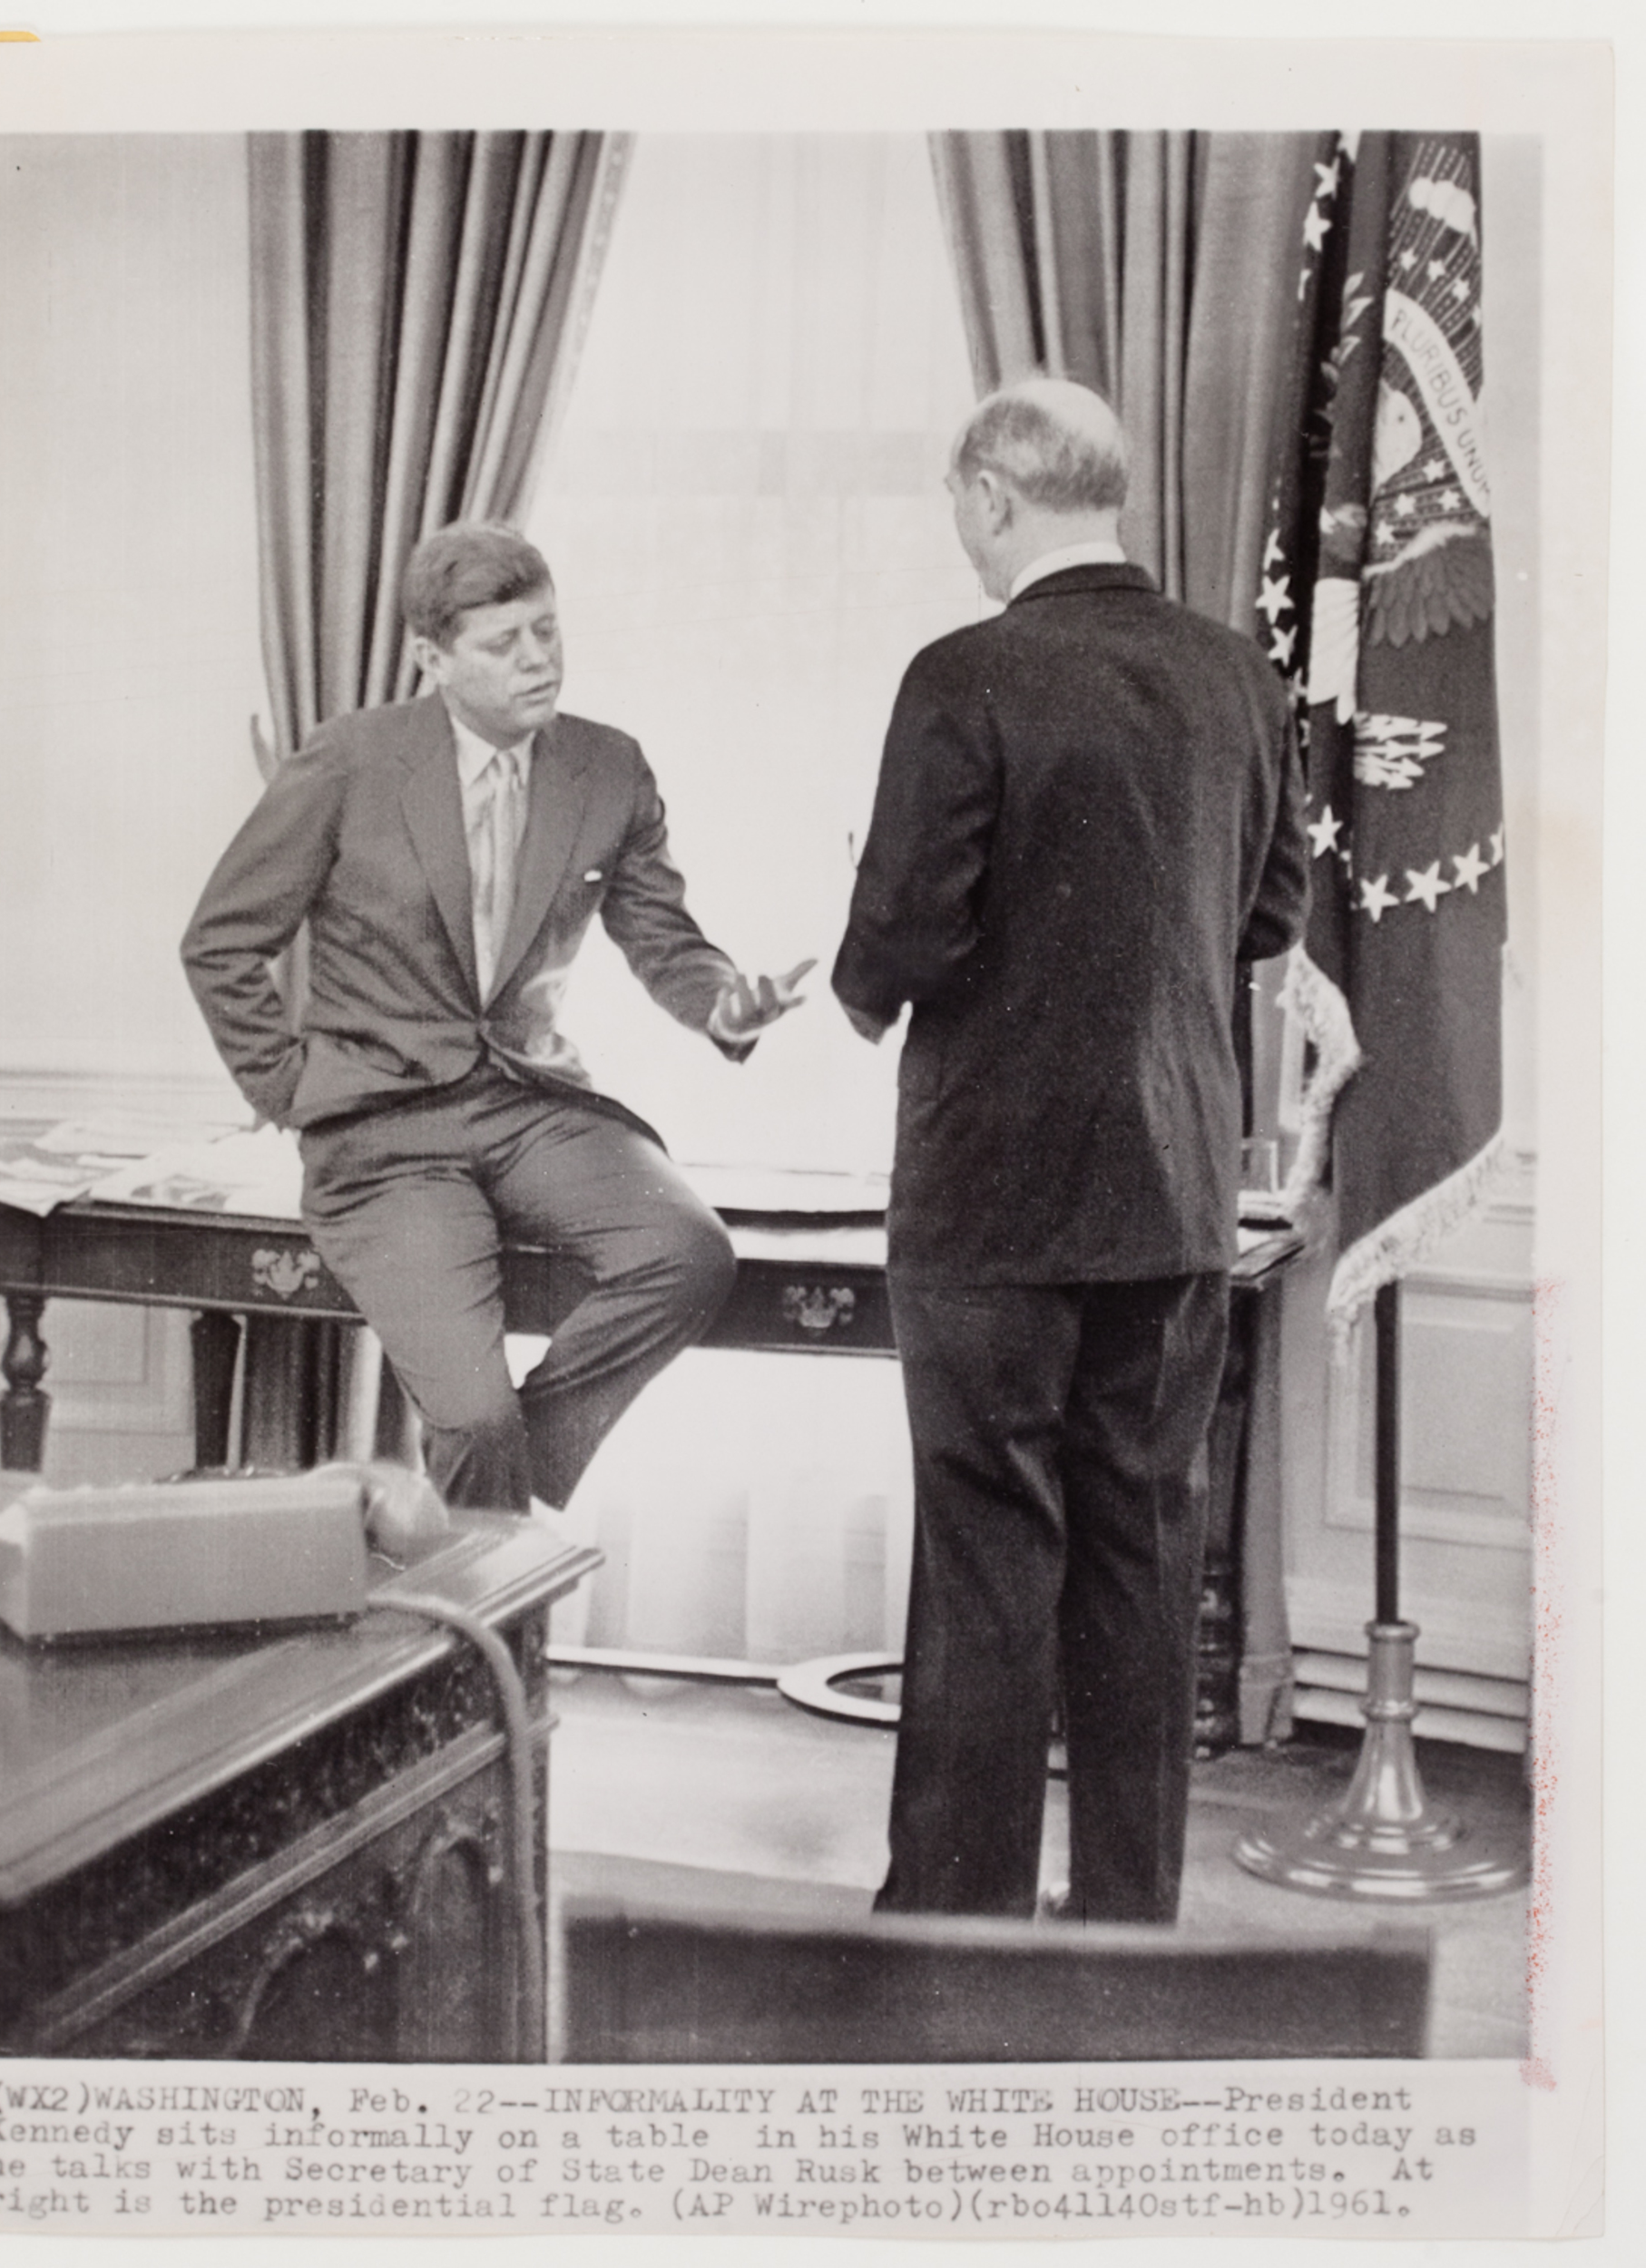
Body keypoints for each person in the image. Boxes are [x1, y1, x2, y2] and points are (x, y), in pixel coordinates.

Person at [832, 377, 1308, 1924]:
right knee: (1138, 1559)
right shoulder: (1237, 673)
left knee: (984, 1563)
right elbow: (1269, 919)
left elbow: (903, 932)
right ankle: (1125, 1933)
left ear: (989, 498)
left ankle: (957, 1934)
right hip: (1175, 1195)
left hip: (992, 1200)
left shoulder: (962, 672)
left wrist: (853, 981)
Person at [183, 522, 810, 1515]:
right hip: (383, 1133)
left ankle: (511, 1489)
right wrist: (288, 1088)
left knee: (690, 1255)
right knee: (472, 1421)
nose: (538, 660)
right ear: (433, 660)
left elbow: (661, 938)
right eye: (504, 643)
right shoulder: (349, 760)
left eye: (549, 631)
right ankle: (483, 1640)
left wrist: (725, 1000)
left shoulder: (608, 767)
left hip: (530, 1102)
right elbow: (219, 940)